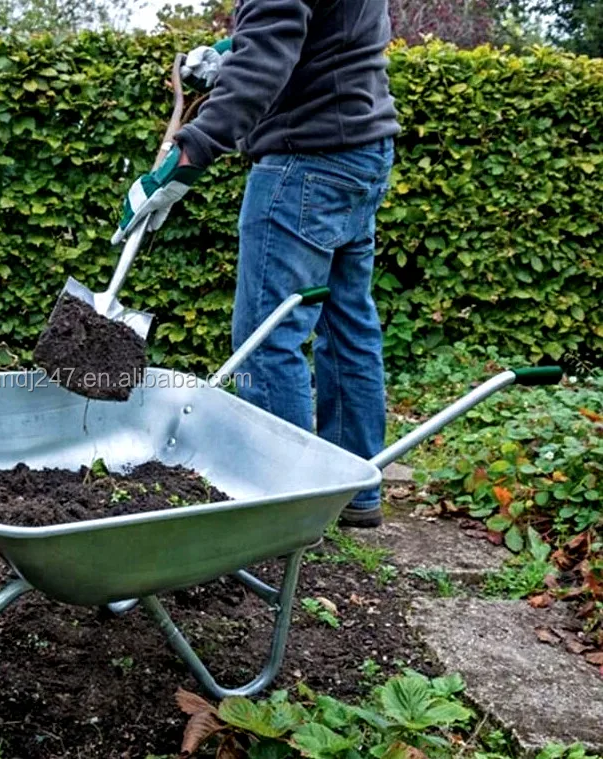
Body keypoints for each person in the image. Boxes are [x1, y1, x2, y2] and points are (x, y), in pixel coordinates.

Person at [112, 0, 399, 528]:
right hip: (363, 150)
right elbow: (322, 35)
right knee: (348, 323)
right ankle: (353, 490)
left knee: (266, 338)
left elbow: (271, 48)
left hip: (306, 159)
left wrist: (195, 146)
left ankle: (282, 508)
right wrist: (228, 54)